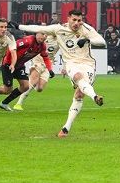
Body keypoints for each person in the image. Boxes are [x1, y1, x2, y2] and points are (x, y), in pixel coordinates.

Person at [19, 10, 107, 138]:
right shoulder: (59, 29)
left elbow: (101, 42)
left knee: (78, 95)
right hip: (72, 63)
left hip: (88, 64)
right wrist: (18, 26)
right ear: (68, 19)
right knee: (77, 77)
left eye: (79, 20)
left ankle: (66, 128)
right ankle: (94, 96)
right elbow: (38, 28)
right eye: (74, 20)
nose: (77, 23)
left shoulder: (86, 29)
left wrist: (87, 39)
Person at [0, 32, 54, 111]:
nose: (43, 36)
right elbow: (12, 47)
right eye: (42, 34)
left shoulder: (42, 46)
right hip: (8, 65)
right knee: (7, 90)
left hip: (19, 66)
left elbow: (46, 58)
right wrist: (8, 61)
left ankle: (4, 103)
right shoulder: (28, 41)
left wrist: (50, 69)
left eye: (45, 35)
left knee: (26, 86)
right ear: (37, 33)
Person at [14, 33, 60, 111]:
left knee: (39, 88)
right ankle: (18, 103)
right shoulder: (44, 37)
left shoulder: (60, 40)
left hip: (47, 65)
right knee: (32, 83)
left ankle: (27, 84)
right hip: (37, 62)